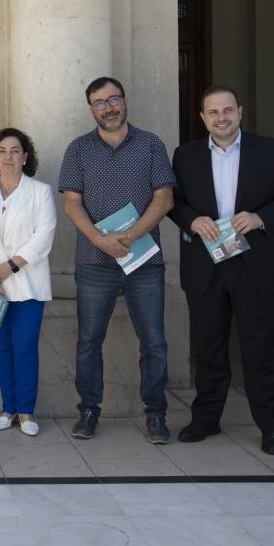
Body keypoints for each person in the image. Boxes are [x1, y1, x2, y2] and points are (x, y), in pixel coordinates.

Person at [167, 85, 274, 455]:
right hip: (207, 267)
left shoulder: (270, 150)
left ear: (240, 112)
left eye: (228, 110)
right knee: (209, 348)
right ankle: (206, 420)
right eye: (213, 112)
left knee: (260, 350)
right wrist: (192, 220)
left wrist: (260, 217)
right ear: (202, 118)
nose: (221, 118)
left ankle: (271, 427)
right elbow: (173, 203)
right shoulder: (186, 155)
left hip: (257, 266)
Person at [58, 76, 175, 443]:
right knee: (89, 341)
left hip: (144, 262)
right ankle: (89, 410)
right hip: (94, 262)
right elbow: (72, 203)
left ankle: (156, 414)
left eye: (113, 100)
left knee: (154, 342)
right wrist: (99, 239)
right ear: (90, 108)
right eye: (99, 102)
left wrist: (132, 235)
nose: (108, 107)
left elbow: (164, 198)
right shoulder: (78, 149)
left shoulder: (151, 144)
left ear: (125, 101)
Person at [0, 128, 56, 436]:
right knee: (2, 346)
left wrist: (8, 267)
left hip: (27, 282)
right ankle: (8, 408)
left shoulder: (40, 192)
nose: (8, 157)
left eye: (15, 151)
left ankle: (27, 412)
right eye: (2, 151)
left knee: (25, 346)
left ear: (25, 156)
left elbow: (44, 236)